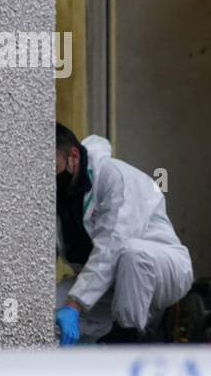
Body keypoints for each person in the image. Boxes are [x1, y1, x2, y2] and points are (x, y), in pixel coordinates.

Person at [55, 123, 193, 345]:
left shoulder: (116, 178)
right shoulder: (61, 193)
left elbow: (111, 248)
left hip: (159, 268)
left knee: (131, 254)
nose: (49, 177)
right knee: (44, 315)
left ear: (73, 156)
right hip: (107, 281)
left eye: (54, 167)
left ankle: (130, 338)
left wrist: (74, 305)